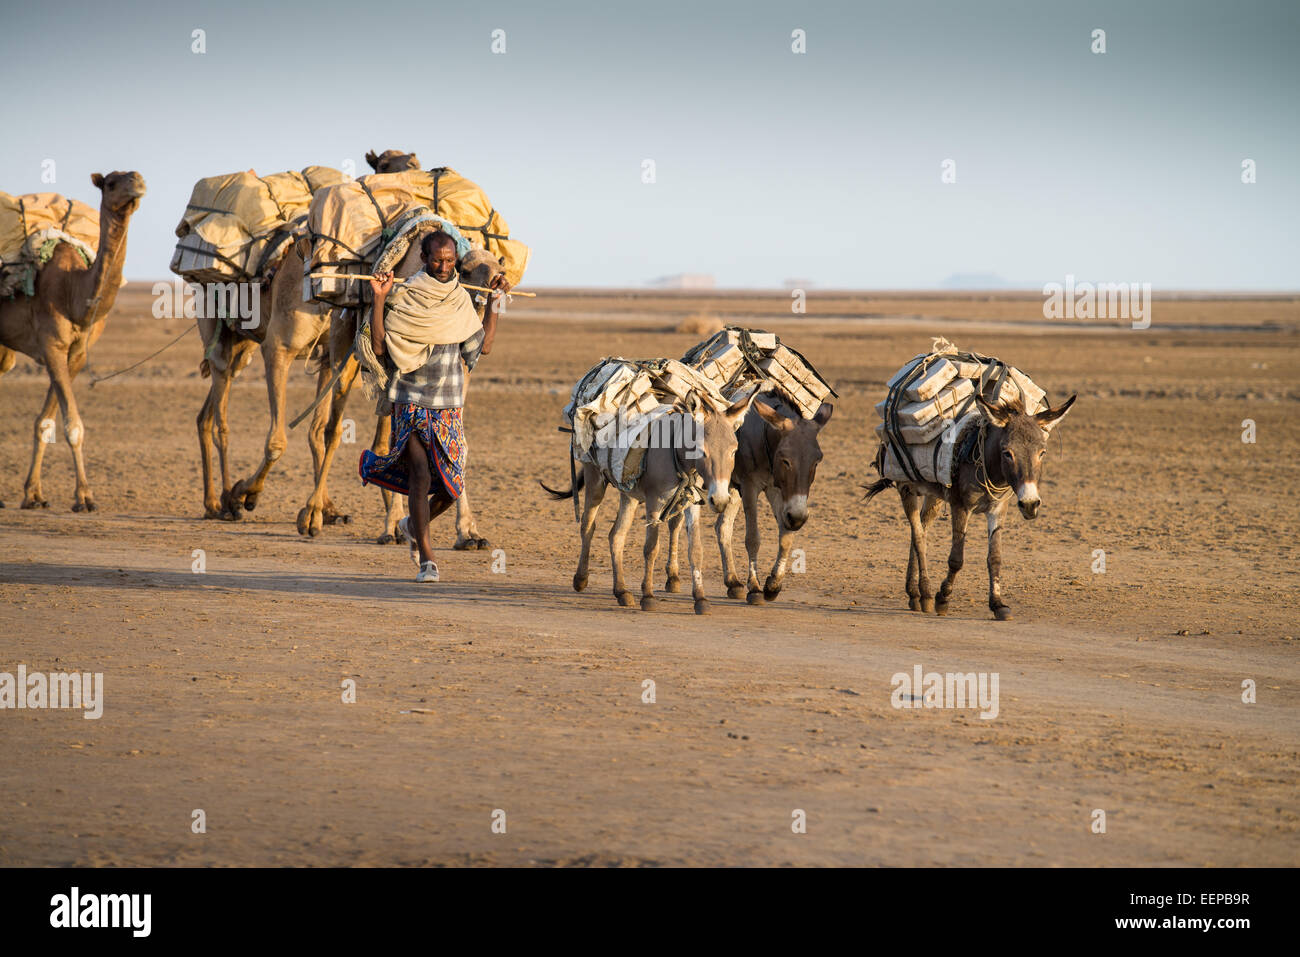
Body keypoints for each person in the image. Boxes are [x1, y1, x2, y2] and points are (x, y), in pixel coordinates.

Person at [358, 231, 506, 581]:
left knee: (452, 488)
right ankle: (428, 560)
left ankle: (411, 523)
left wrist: (495, 303)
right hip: (409, 400)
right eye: (437, 259)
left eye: (450, 260)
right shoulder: (404, 295)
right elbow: (379, 347)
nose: (443, 266)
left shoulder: (462, 301)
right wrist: (379, 299)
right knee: (421, 476)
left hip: (448, 406)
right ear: (423, 258)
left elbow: (480, 347)